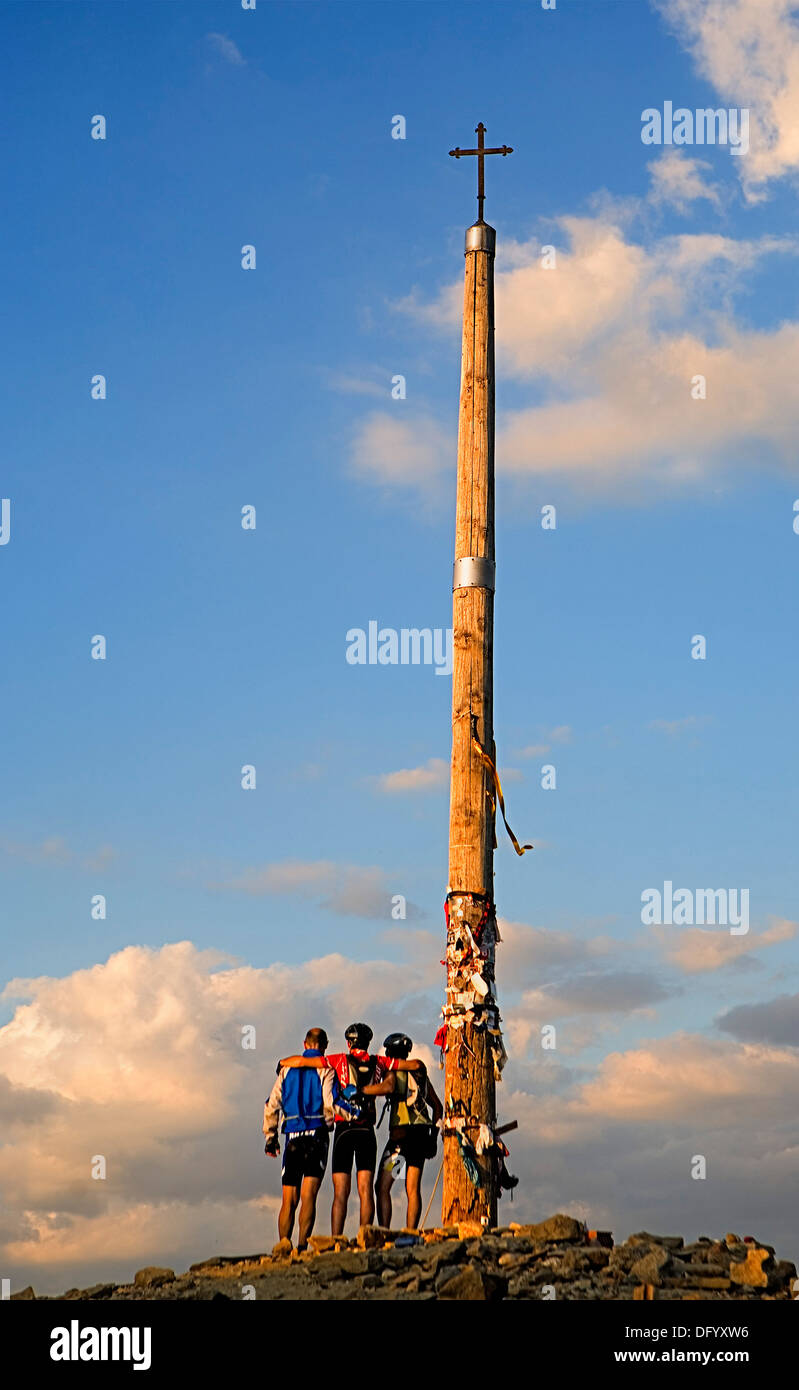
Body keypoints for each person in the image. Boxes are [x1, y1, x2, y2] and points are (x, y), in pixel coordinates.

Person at [279, 1022, 398, 1235]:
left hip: (344, 1129)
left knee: (340, 1192)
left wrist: (282, 1062)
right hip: (367, 1131)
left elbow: (308, 1061)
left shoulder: (337, 1060)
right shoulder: (379, 1062)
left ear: (348, 1042)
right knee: (365, 1189)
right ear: (368, 1042)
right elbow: (403, 1071)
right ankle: (366, 1236)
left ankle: (336, 1239)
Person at [263, 1027, 336, 1252]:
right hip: (317, 1134)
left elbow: (272, 1104)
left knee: (288, 1199)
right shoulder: (326, 1069)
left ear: (305, 1044)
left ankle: (284, 1245)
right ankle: (302, 1246)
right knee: (308, 1196)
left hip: (292, 1136)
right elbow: (328, 1102)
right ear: (325, 1045)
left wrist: (270, 1135)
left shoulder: (286, 1071)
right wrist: (330, 1123)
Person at [375, 1033, 443, 1231]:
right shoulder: (421, 1076)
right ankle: (411, 1233)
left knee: (382, 1187)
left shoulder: (393, 1073)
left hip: (401, 1136)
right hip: (421, 1136)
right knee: (413, 1189)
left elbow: (387, 1089)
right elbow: (437, 1107)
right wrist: (433, 1134)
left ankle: (384, 1231)